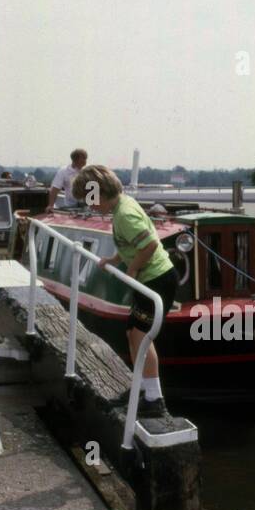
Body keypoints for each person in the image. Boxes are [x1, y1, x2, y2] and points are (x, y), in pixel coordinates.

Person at [72, 164, 177, 419]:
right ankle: (143, 389)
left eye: (89, 200)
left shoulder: (124, 215)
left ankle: (155, 399)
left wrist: (131, 271)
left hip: (156, 280)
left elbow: (150, 245)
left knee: (141, 337)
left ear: (99, 194)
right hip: (149, 279)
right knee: (132, 332)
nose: (90, 207)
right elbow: (134, 242)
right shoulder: (122, 207)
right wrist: (115, 259)